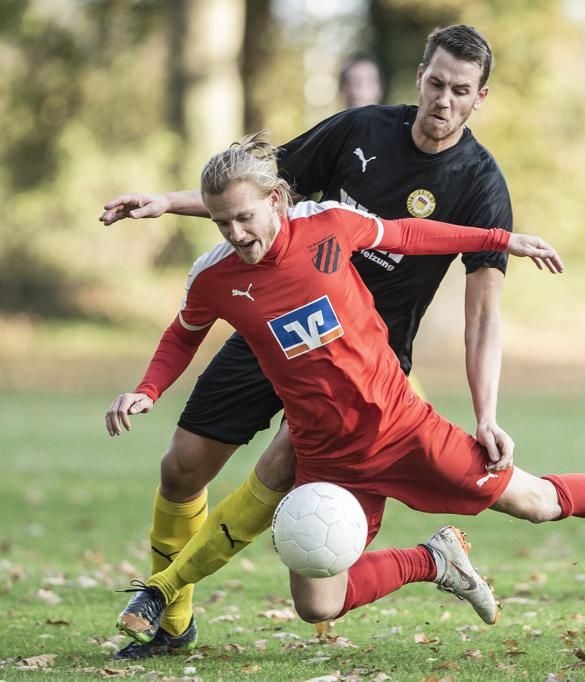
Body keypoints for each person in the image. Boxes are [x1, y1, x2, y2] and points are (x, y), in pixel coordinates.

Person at [106, 133, 585, 645]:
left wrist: (500, 241)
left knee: (537, 502)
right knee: (317, 604)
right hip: (326, 458)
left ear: (277, 200)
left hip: (402, 429)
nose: (237, 236)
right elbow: (182, 335)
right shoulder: (215, 278)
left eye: (245, 218)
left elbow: (410, 234)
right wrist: (147, 390)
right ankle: (434, 561)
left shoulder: (329, 225)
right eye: (222, 224)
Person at [99, 25, 525, 659]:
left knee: (275, 473)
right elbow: (250, 196)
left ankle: (159, 596)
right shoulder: (359, 131)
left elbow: (482, 312)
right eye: (435, 82)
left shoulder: (481, 183)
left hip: (359, 363)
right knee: (181, 466)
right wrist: (167, 202)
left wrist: (487, 413)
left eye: (459, 90)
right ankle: (175, 620)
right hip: (273, 316)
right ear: (418, 76)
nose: (443, 99)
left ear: (479, 96)